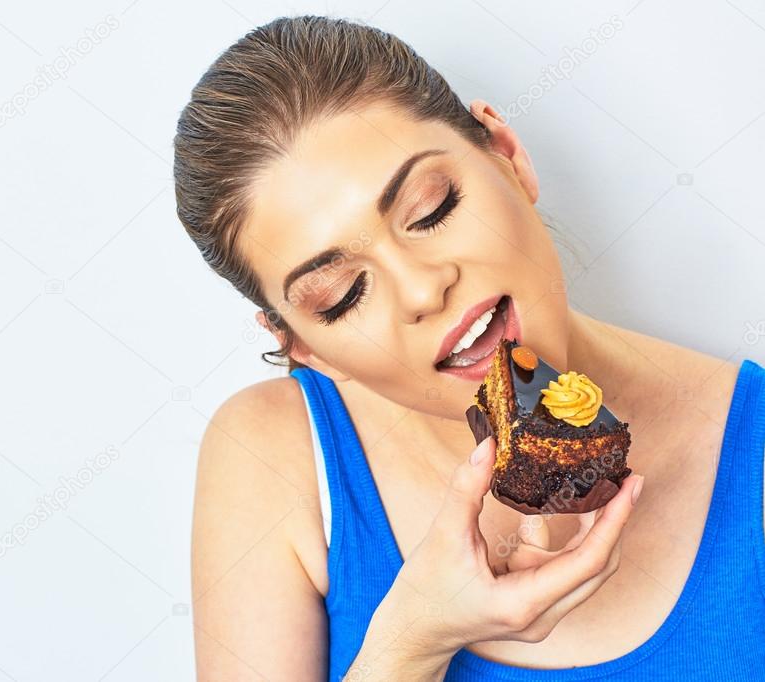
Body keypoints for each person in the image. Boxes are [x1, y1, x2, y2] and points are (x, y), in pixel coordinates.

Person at [173, 15, 765, 681]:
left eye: (430, 210)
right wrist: (413, 641)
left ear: (506, 157)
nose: (423, 290)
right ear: (307, 349)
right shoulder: (276, 456)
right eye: (341, 295)